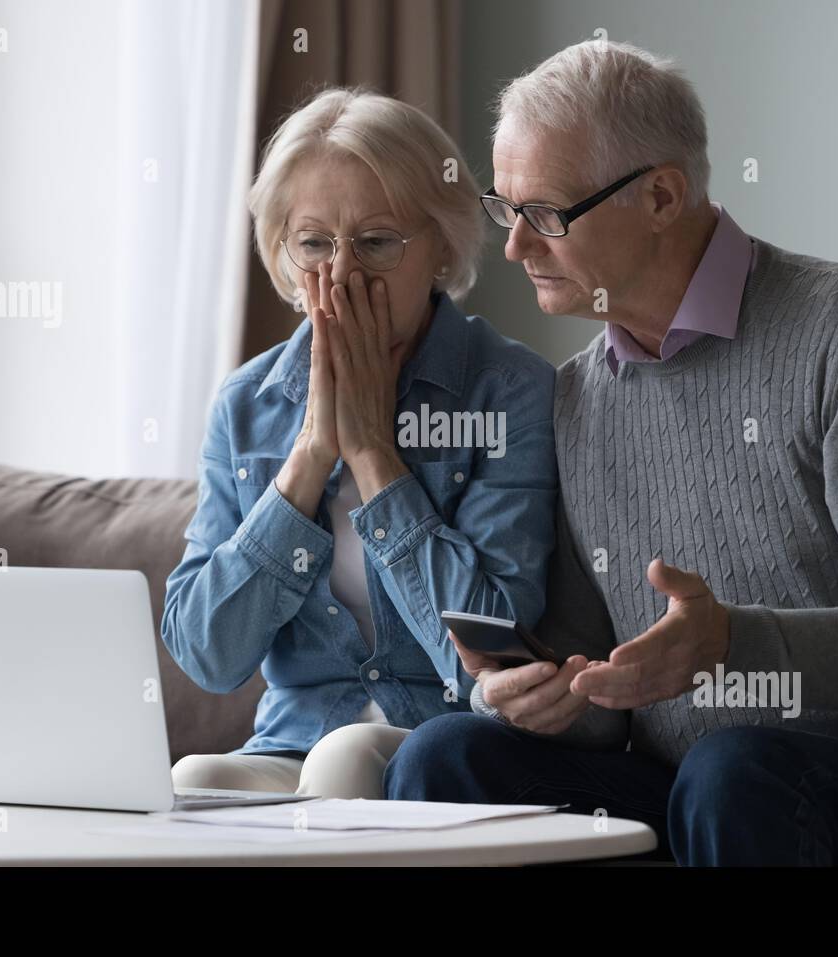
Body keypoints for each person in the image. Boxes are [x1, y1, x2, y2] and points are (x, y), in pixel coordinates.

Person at [384, 41, 838, 865]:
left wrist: (733, 642)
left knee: (734, 771)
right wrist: (538, 692)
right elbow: (605, 699)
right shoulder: (578, 399)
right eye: (503, 208)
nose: (516, 248)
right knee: (443, 755)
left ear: (662, 195)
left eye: (546, 214)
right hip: (697, 781)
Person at [163, 88, 558, 799]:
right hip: (295, 734)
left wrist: (376, 455)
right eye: (314, 243)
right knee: (195, 779)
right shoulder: (247, 406)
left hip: (440, 735)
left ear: (440, 245)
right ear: (284, 257)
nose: (341, 274)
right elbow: (207, 653)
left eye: (376, 242)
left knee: (342, 761)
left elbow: (487, 655)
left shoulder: (512, 392)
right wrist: (310, 457)